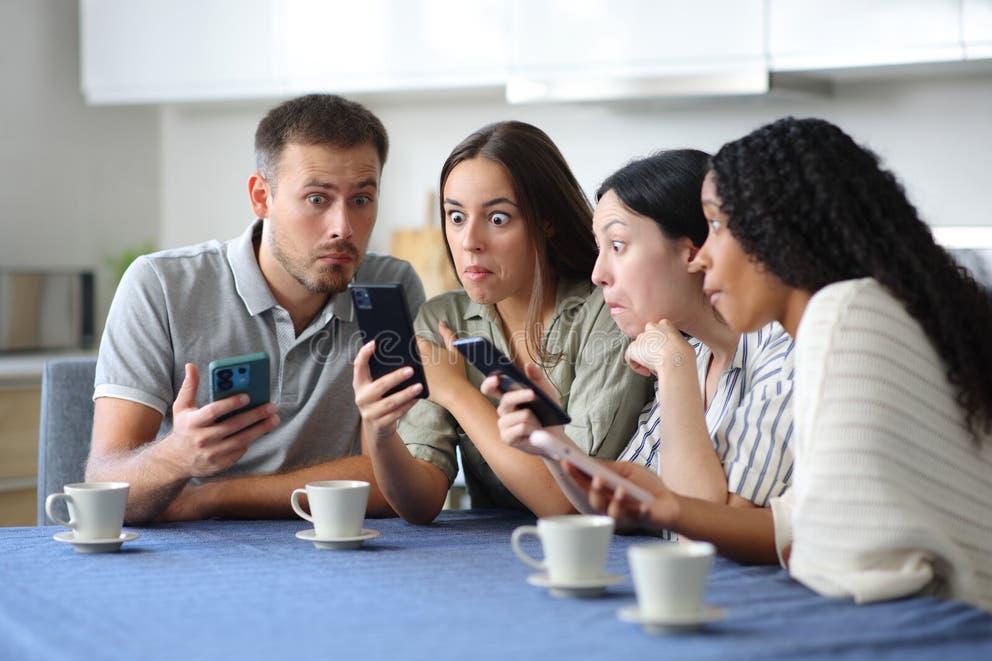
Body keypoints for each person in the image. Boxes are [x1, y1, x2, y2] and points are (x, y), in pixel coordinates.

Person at [569, 117, 992, 611]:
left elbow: (835, 557)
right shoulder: (843, 318)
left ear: (775, 234)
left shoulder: (844, 314)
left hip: (950, 623)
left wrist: (691, 517)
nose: (702, 256)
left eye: (719, 227)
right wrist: (671, 509)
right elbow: (796, 522)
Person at [85, 94, 425, 523]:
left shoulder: (390, 288)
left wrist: (210, 496)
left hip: (336, 552)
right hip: (194, 560)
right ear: (262, 197)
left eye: (361, 200)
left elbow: (393, 482)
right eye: (318, 199)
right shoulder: (161, 285)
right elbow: (105, 489)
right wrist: (177, 457)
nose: (343, 228)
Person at [483, 151, 795, 538]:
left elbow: (698, 530)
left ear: (693, 252)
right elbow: (625, 506)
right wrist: (554, 443)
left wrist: (674, 367)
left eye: (617, 245)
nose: (598, 274)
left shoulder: (782, 356)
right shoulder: (693, 356)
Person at [353, 121, 652, 523]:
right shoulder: (444, 317)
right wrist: (380, 431)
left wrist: (457, 392)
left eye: (497, 219)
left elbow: (569, 502)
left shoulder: (609, 310)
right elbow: (419, 504)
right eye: (456, 217)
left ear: (547, 220)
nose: (469, 241)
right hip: (492, 558)